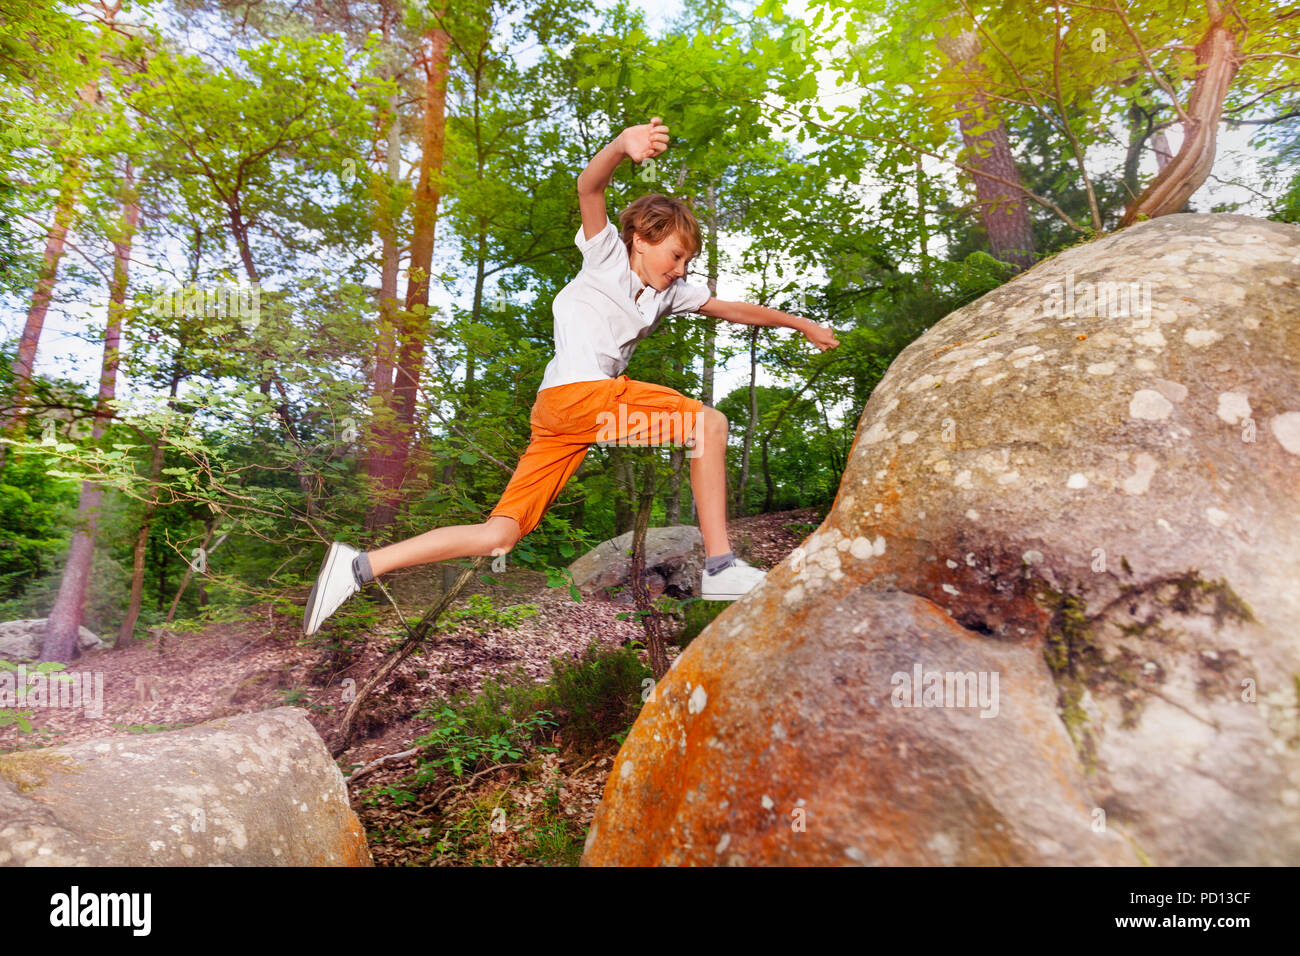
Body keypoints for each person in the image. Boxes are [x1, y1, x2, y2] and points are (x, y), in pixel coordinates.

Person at [303, 117, 839, 636]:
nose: (680, 269)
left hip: (561, 416)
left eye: (687, 262)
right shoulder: (606, 254)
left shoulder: (670, 293)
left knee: (499, 535)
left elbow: (733, 309)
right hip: (584, 396)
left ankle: (357, 568)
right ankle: (722, 567)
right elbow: (589, 186)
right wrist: (620, 145)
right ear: (641, 238)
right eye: (676, 255)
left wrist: (800, 323)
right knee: (710, 425)